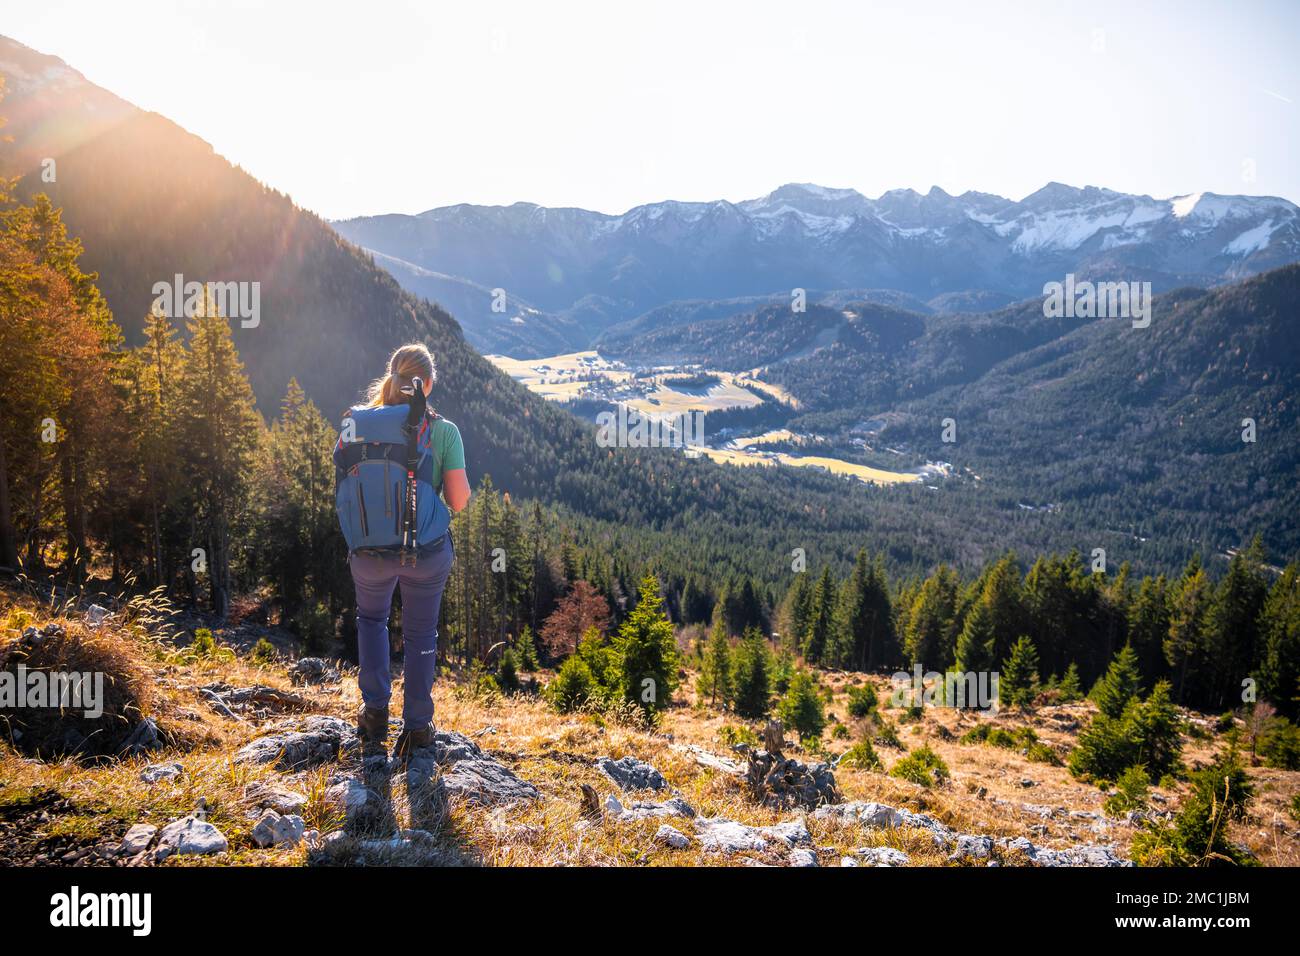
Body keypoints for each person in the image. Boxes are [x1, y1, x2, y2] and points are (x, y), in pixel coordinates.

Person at [342, 344, 470, 759]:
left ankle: (374, 715)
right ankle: (417, 728)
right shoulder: (443, 430)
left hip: (367, 547)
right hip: (424, 550)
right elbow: (459, 500)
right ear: (427, 384)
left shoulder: (355, 423)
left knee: (372, 620)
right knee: (420, 634)